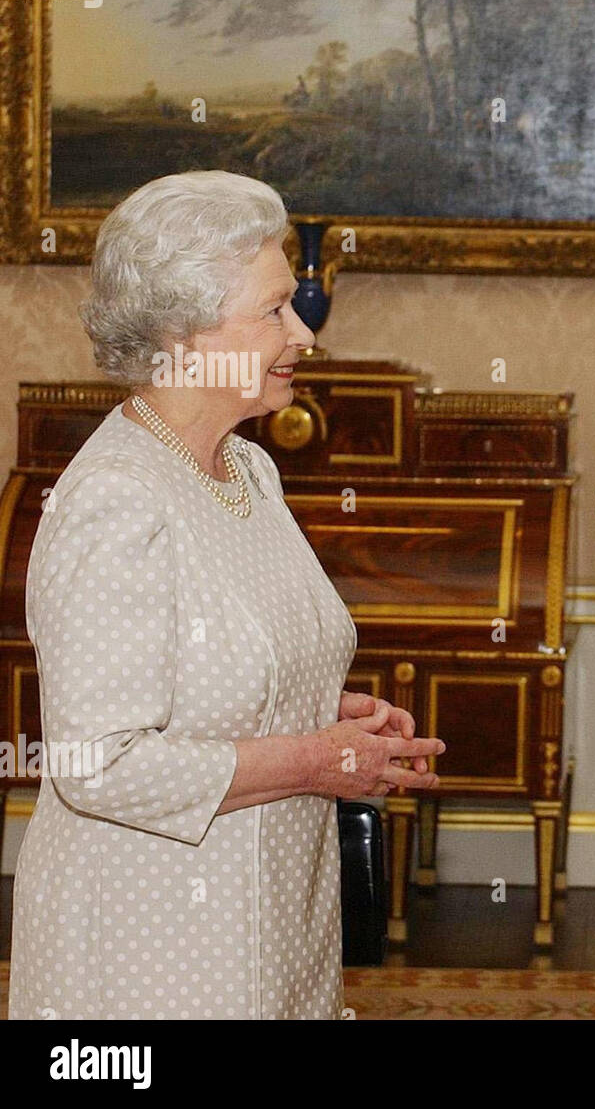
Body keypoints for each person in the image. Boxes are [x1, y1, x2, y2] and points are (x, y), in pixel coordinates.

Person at [8, 171, 443, 1019]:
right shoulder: (115, 501)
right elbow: (96, 762)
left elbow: (225, 666)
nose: (302, 335)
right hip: (150, 944)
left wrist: (333, 713)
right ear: (186, 333)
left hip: (277, 917)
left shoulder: (250, 468)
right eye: (274, 310)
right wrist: (318, 761)